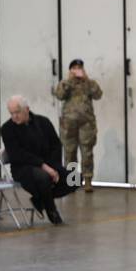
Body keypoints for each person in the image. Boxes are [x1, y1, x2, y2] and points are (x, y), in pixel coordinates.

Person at [0, 94, 73, 225]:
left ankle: (39, 200)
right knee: (43, 177)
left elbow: (56, 145)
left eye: (17, 112)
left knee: (75, 179)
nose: (14, 117)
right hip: (23, 168)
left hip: (48, 164)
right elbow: (18, 155)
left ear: (27, 109)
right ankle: (52, 211)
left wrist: (54, 166)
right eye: (11, 113)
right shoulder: (7, 129)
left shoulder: (43, 122)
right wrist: (45, 167)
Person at [53, 60, 103, 193]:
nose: (77, 70)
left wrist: (86, 79)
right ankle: (73, 182)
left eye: (79, 68)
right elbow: (59, 95)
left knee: (87, 152)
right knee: (70, 153)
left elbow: (98, 94)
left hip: (86, 123)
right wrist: (69, 81)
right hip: (69, 124)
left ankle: (87, 181)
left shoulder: (89, 83)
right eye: (74, 68)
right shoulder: (65, 83)